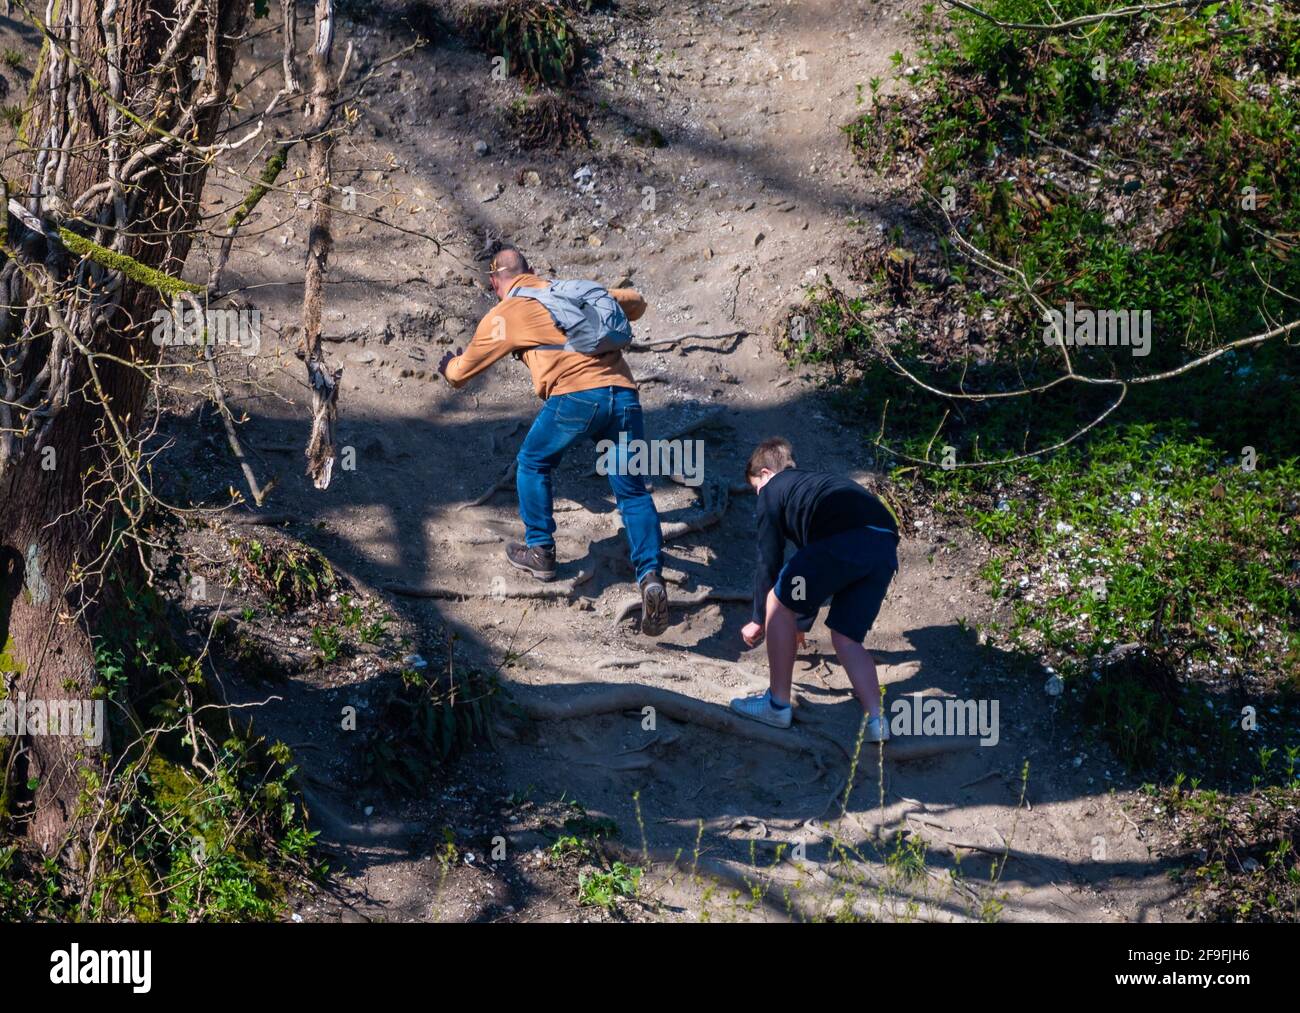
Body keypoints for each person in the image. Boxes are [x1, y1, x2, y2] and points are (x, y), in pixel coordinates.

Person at [437, 245, 669, 635]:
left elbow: (461, 374)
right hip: (624, 395)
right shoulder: (567, 291)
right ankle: (650, 578)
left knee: (533, 462)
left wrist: (447, 365)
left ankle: (541, 551)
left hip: (577, 397)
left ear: (496, 281)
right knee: (632, 493)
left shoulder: (507, 313)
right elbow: (635, 302)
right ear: (531, 270)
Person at [731, 437, 899, 738]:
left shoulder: (773, 489)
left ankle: (777, 705)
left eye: (756, 487)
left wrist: (758, 619)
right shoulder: (818, 486)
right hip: (884, 544)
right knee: (847, 638)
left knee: (775, 602)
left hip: (846, 540)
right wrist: (800, 622)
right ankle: (877, 721)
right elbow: (817, 571)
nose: (759, 495)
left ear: (767, 474)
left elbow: (768, 559)